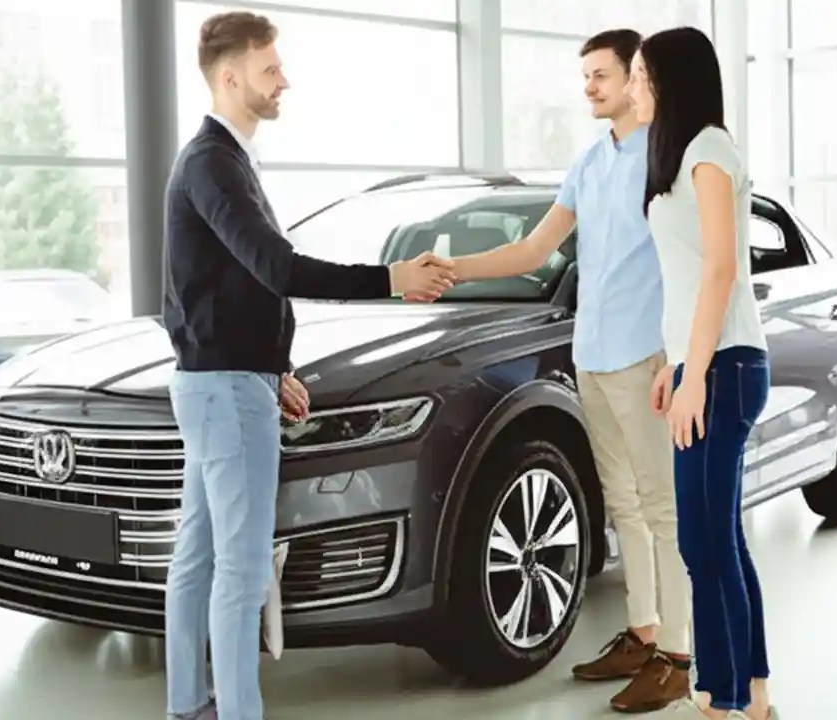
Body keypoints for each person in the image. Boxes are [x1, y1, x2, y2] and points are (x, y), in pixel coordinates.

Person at [161, 11, 456, 720]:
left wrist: (276, 367)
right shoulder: (213, 163)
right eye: (269, 69)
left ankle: (188, 706)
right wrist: (394, 278)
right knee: (239, 567)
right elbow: (278, 267)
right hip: (227, 392)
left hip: (218, 383)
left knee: (199, 554)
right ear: (229, 78)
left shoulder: (221, 159)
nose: (283, 81)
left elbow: (231, 283)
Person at [447, 29, 691, 714]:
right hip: (593, 355)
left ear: (636, 77)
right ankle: (643, 632)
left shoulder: (667, 158)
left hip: (645, 355)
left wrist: (677, 358)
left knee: (663, 507)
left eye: (601, 74)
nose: (589, 86)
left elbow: (690, 265)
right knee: (622, 503)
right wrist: (452, 270)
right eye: (585, 75)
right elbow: (533, 250)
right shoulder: (589, 161)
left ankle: (678, 655)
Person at [626, 27, 778, 720]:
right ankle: (753, 695)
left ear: (671, 81)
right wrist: (674, 362)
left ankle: (722, 700)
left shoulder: (710, 149)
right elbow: (690, 276)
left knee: (703, 541)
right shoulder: (683, 155)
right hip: (706, 362)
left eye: (640, 75)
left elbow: (721, 269)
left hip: (726, 366)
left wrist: (695, 378)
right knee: (720, 537)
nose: (633, 88)